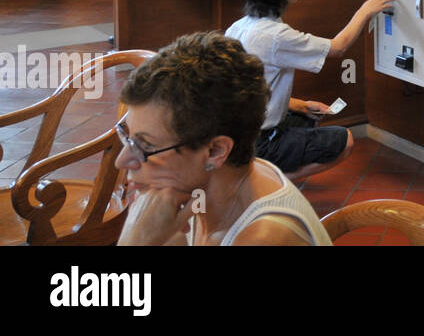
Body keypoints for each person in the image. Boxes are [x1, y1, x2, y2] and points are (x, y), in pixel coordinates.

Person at [115, 31, 333, 245]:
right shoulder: (201, 190)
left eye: (145, 146)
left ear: (215, 152)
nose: (121, 161)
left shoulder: (263, 239)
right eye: (128, 137)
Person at [225, 0, 395, 181]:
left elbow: (246, 92)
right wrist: (365, 10)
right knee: (345, 140)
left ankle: (258, 169)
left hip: (237, 134)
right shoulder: (277, 36)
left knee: (308, 117)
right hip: (259, 140)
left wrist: (301, 105)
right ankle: (264, 180)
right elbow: (338, 48)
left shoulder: (238, 27)